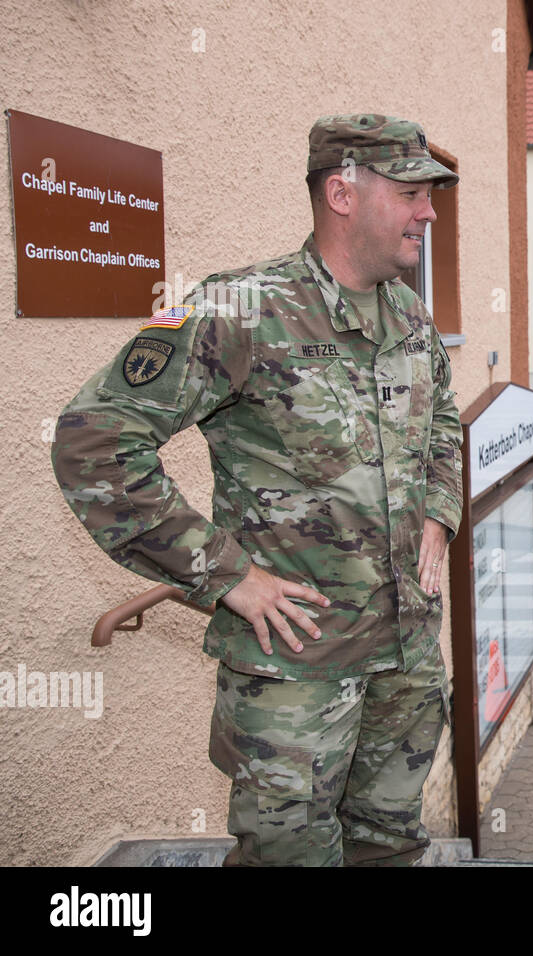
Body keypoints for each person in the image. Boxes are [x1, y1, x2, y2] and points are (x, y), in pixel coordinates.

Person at [50, 114, 464, 866]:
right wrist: (225, 574)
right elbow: (92, 440)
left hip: (405, 664)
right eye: (411, 192)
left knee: (390, 848)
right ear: (343, 193)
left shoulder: (408, 314)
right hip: (295, 679)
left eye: (429, 195)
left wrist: (439, 511)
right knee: (288, 856)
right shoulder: (236, 308)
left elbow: (441, 419)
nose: (428, 212)